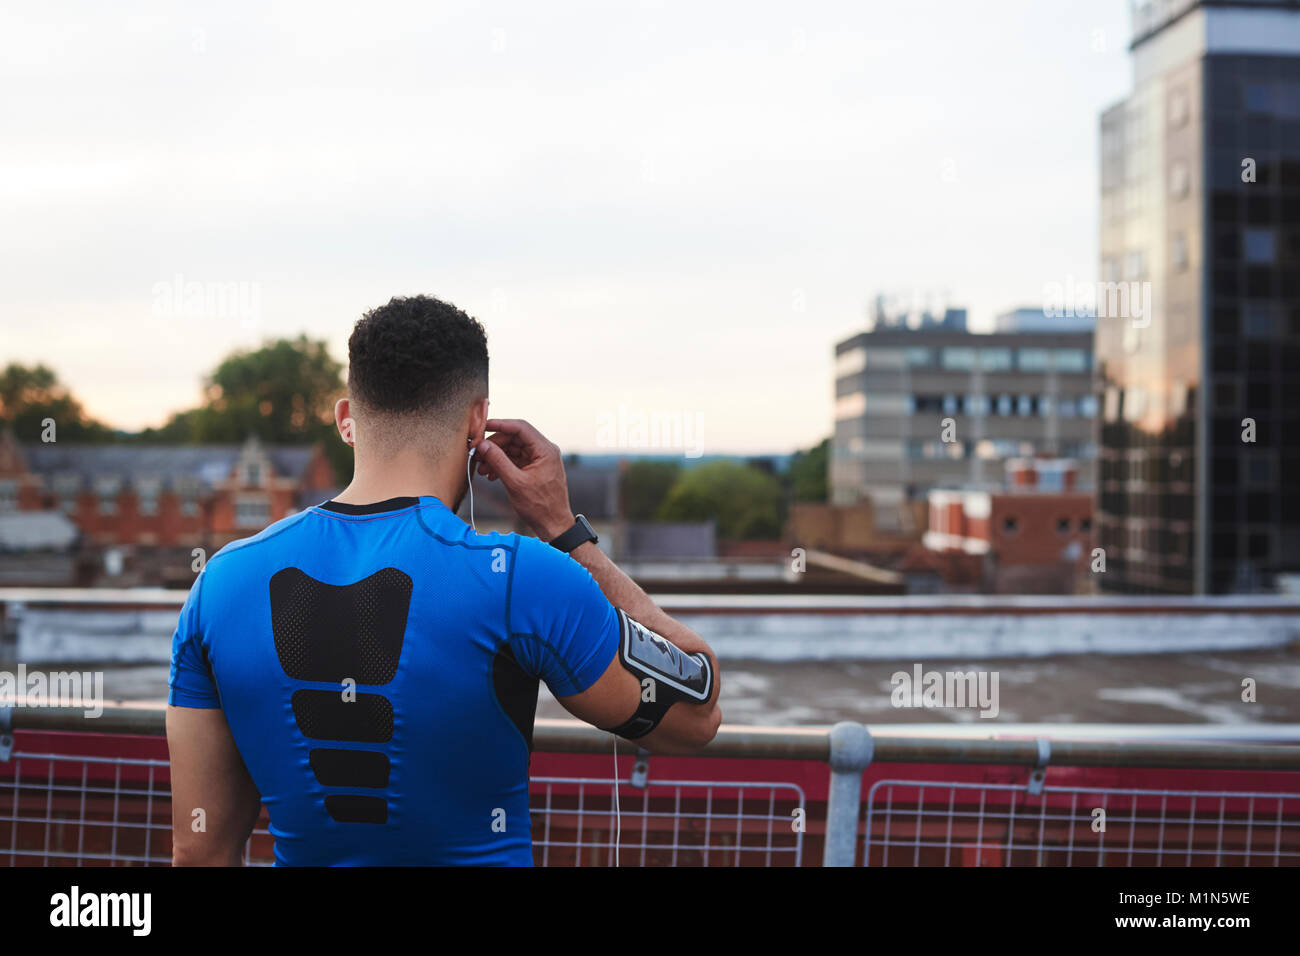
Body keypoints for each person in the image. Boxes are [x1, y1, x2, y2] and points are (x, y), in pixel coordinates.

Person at [165, 294, 722, 866]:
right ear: (478, 420)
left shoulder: (221, 583)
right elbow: (697, 710)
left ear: (345, 420)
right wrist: (565, 530)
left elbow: (199, 852)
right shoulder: (522, 579)